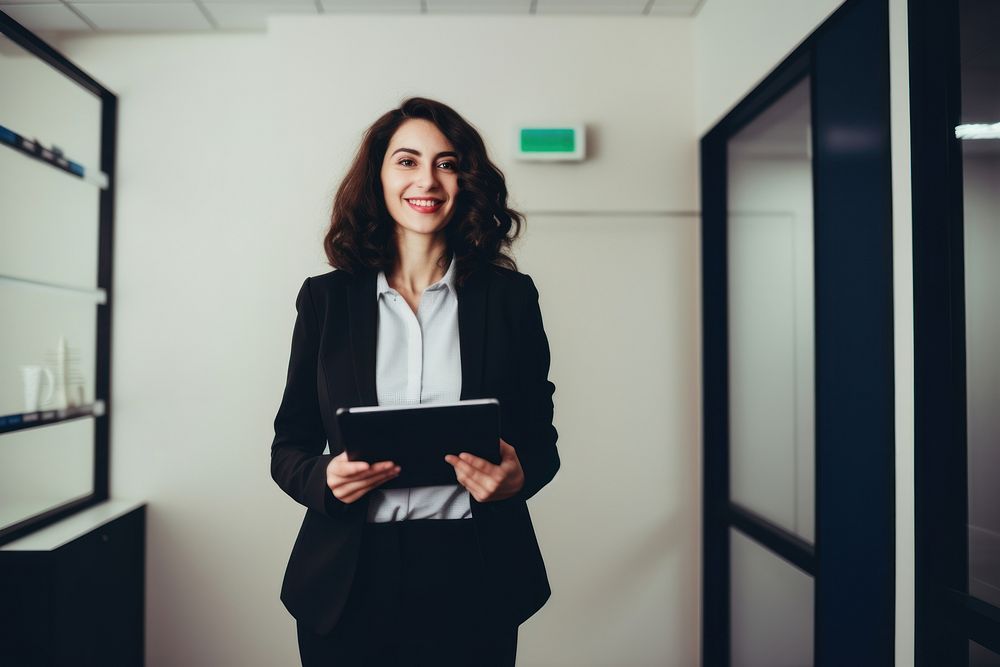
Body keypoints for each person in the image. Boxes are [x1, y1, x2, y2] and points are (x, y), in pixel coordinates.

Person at [270, 97, 560, 666]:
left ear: (465, 180)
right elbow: (288, 446)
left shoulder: (510, 300)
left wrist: (518, 476)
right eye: (407, 161)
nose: (426, 179)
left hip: (475, 572)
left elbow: (541, 441)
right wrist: (324, 478)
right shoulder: (327, 301)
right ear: (378, 175)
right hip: (349, 578)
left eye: (447, 163)